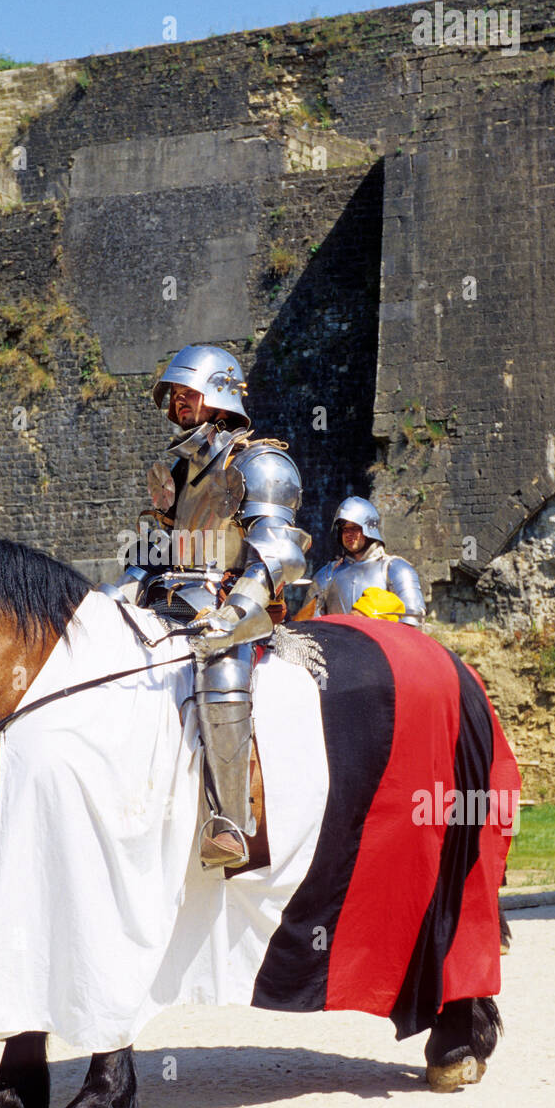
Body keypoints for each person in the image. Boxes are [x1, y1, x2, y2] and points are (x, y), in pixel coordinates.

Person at [102, 344, 311, 868]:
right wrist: (108, 600)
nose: (177, 403)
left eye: (186, 393)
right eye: (172, 395)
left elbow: (279, 552)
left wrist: (236, 612)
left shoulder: (259, 463)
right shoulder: (177, 472)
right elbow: (153, 555)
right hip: (170, 603)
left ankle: (230, 823)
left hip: (236, 608)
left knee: (218, 669)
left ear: (219, 393)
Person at [299, 496, 426, 626]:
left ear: (369, 529)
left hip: (379, 643)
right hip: (335, 644)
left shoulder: (395, 568)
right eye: (345, 529)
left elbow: (412, 617)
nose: (348, 534)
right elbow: (309, 624)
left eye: (355, 528)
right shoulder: (327, 574)